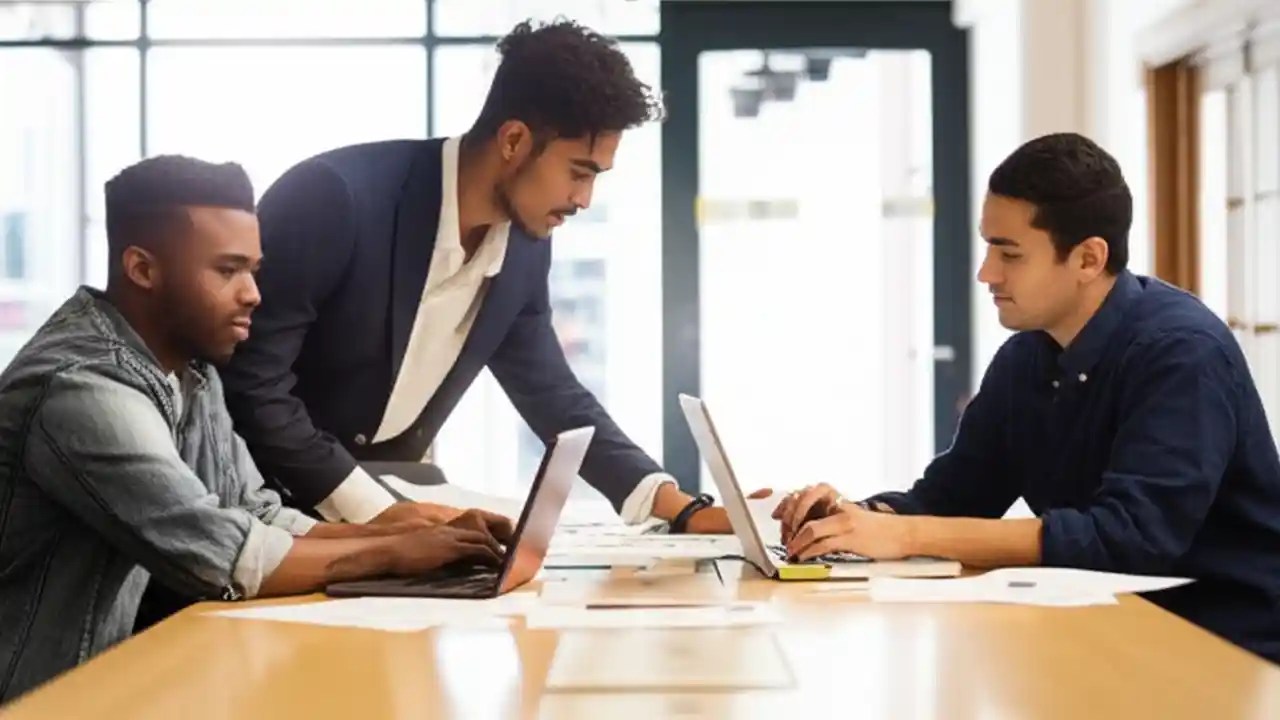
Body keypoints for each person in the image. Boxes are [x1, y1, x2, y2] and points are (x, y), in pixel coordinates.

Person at [0, 156, 512, 703]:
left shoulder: (190, 370)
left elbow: (256, 514)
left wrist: (412, 531)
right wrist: (394, 553)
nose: (253, 294)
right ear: (142, 269)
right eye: (227, 270)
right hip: (37, 699)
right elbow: (221, 553)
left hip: (107, 688)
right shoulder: (82, 388)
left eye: (253, 270)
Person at [221, 19, 748, 534]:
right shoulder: (335, 198)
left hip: (395, 503)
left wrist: (678, 507)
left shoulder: (522, 245)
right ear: (514, 140)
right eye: (578, 171)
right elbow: (254, 385)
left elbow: (553, 395)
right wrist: (376, 511)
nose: (584, 200)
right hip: (267, 509)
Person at [774, 133, 1280, 663]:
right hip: (1103, 632)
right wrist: (851, 519)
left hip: (1217, 645)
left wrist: (903, 534)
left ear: (1088, 259)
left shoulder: (1180, 353)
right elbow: (951, 498)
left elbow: (1129, 540)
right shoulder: (1027, 356)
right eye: (988, 246)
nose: (986, 273)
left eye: (1008, 253)